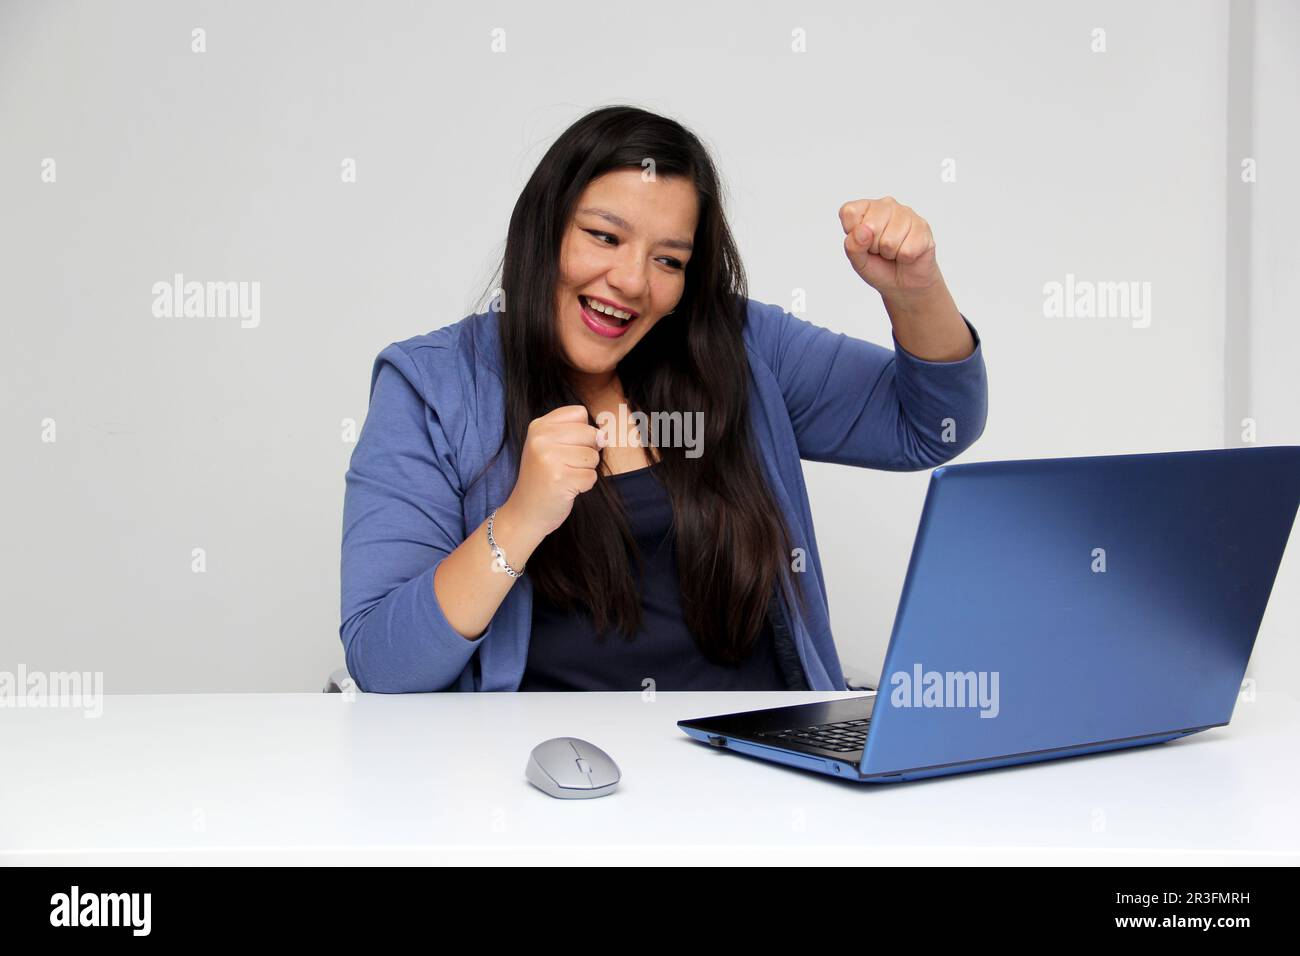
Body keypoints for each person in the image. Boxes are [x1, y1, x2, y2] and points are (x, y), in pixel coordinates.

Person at [339, 105, 988, 693]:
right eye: (604, 235)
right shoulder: (431, 385)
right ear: (544, 228)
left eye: (670, 261)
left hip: (758, 774)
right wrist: (520, 519)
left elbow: (931, 425)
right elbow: (384, 663)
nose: (630, 282)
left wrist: (915, 290)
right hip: (559, 786)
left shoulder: (736, 344)